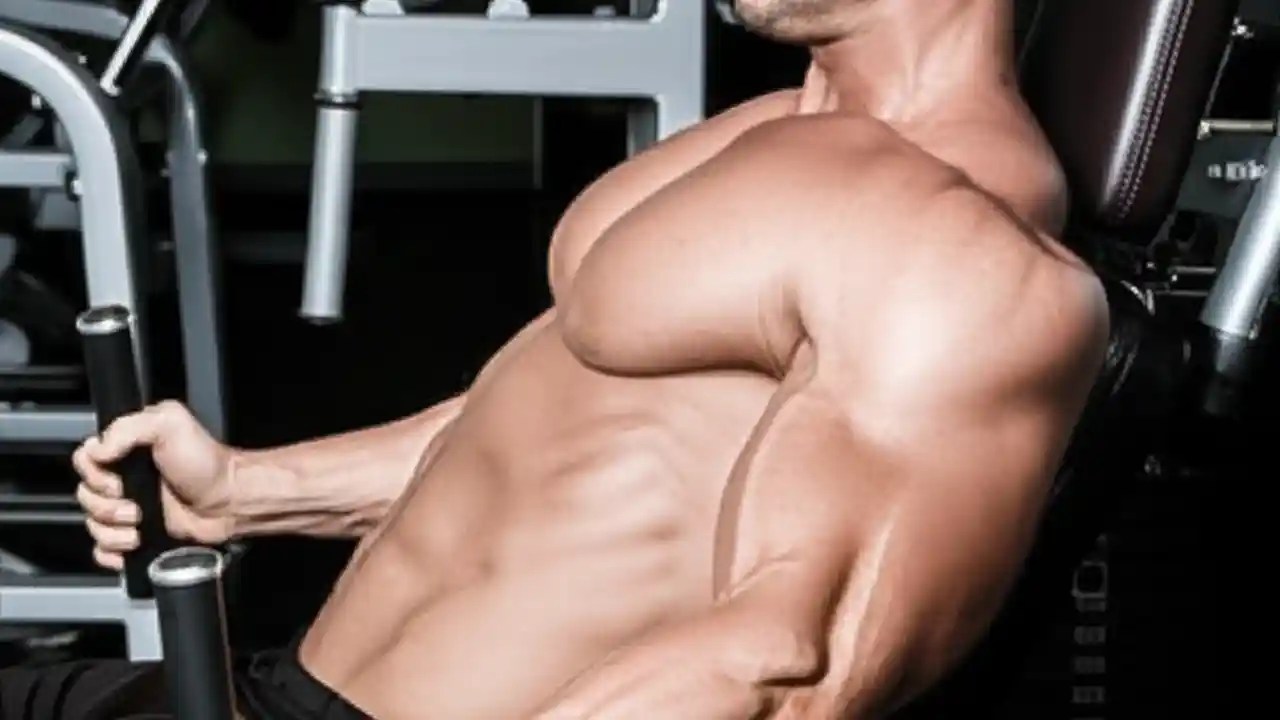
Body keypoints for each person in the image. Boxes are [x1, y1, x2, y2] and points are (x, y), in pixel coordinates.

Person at [1, 0, 1109, 717]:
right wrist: (248, 492)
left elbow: (786, 666)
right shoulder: (780, 129)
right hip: (271, 688)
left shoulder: (955, 251)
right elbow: (558, 423)